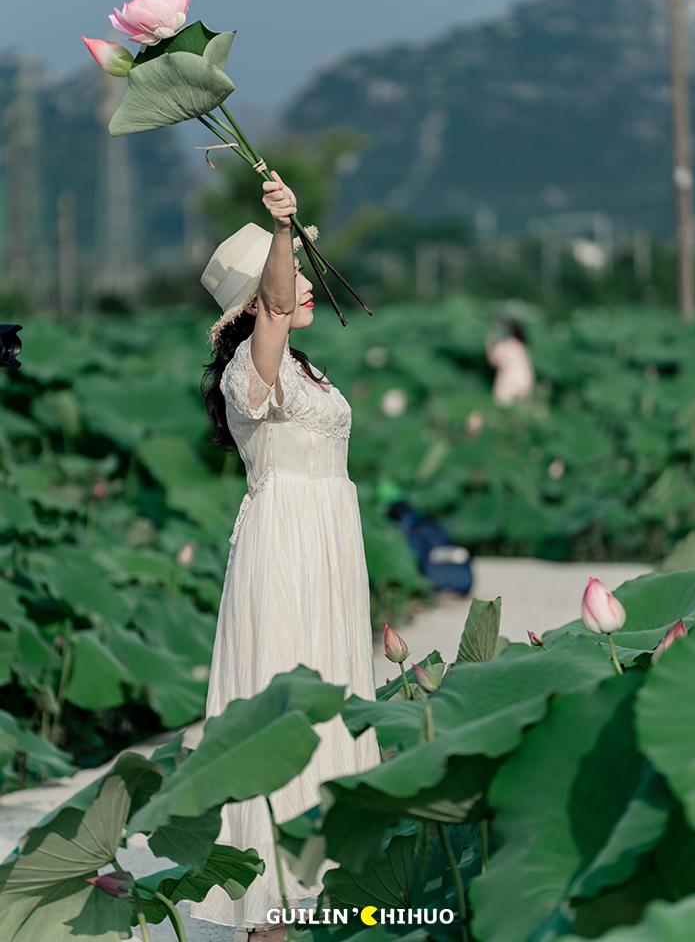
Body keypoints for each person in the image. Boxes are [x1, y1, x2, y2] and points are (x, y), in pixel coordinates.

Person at [188, 172, 381, 939]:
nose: (302, 281)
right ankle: (271, 917)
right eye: (294, 270)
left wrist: (288, 234)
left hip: (330, 545)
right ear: (250, 304)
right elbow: (271, 303)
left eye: (302, 266)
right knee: (287, 712)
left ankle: (324, 897)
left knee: (334, 700)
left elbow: (276, 303)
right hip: (286, 550)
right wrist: (280, 226)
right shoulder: (252, 371)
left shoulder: (305, 369)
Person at [485, 317, 535, 406]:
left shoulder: (506, 346)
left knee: (502, 409)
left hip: (509, 382)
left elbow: (492, 361)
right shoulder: (522, 347)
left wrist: (489, 344)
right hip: (525, 382)